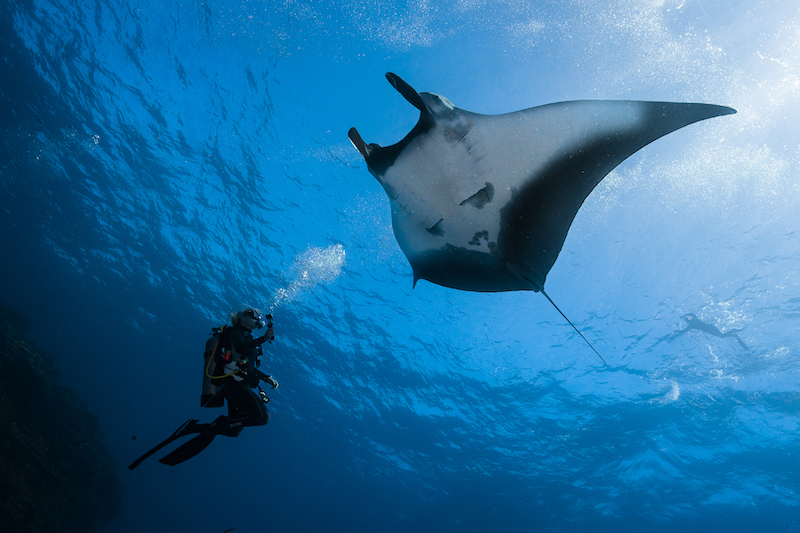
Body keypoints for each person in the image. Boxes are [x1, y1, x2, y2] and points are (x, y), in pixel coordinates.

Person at [129, 307, 279, 469]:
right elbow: (239, 349)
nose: (258, 320)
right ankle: (209, 427)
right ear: (242, 318)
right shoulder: (236, 333)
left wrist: (266, 378)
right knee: (262, 417)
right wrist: (264, 338)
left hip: (237, 383)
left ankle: (200, 428)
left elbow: (246, 365)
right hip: (230, 384)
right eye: (254, 316)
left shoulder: (247, 339)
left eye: (258, 318)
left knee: (234, 430)